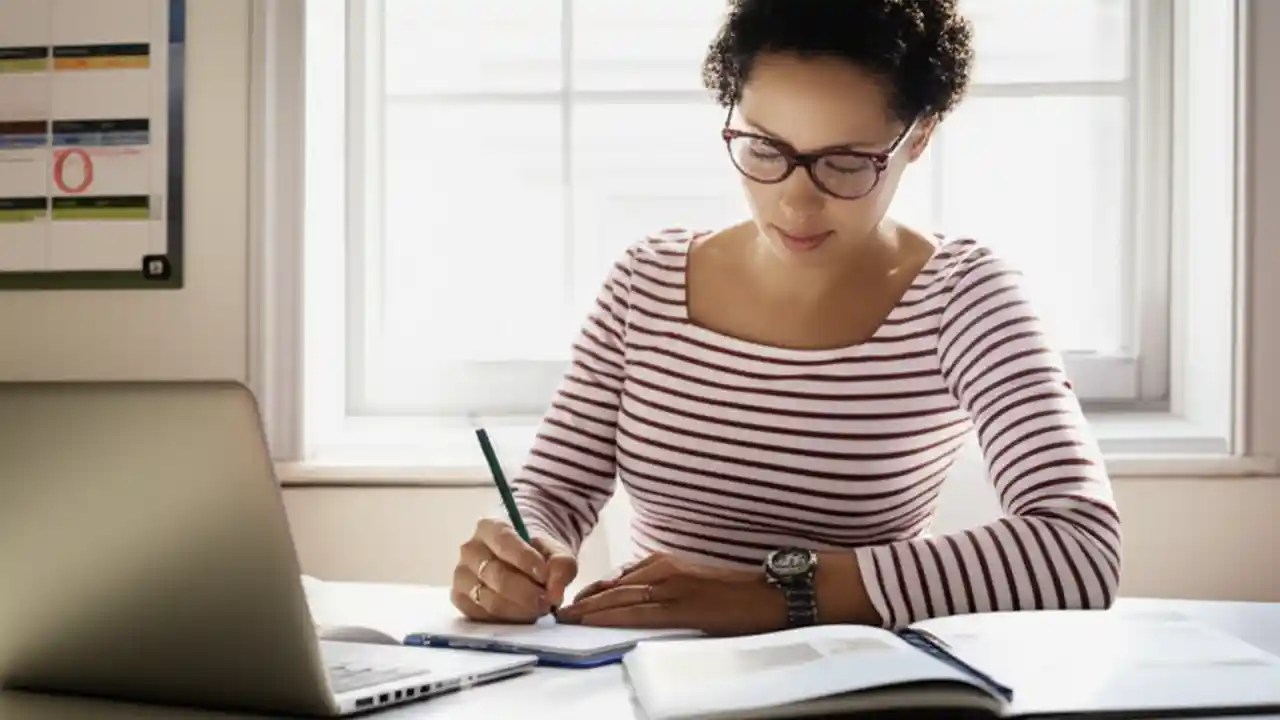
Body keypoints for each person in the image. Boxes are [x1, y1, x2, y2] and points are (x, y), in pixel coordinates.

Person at [450, 0, 1121, 635]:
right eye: (765, 150)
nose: (797, 206)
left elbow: (1080, 547)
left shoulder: (963, 296)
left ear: (918, 138)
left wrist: (771, 596)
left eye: (847, 164)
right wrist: (519, 554)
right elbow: (552, 493)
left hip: (854, 686)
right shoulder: (645, 282)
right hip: (646, 681)